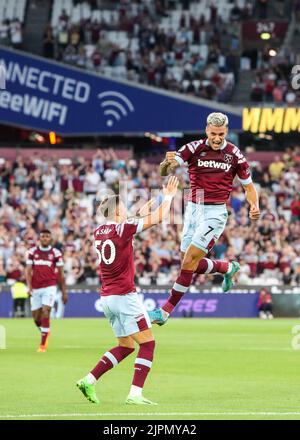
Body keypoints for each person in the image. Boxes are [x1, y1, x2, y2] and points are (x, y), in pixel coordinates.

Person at [76, 176, 179, 406]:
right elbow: (159, 217)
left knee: (126, 346)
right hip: (125, 296)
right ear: (117, 211)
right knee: (148, 344)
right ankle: (135, 394)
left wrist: (139, 213)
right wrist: (170, 196)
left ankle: (89, 379)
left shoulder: (99, 231)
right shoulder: (124, 228)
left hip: (107, 298)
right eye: (123, 205)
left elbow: (124, 226)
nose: (125, 208)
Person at [149, 112, 260, 325]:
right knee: (188, 263)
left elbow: (249, 186)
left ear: (226, 131)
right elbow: (165, 170)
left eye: (221, 133)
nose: (217, 138)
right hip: (193, 210)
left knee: (189, 260)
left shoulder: (235, 155)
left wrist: (254, 204)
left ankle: (164, 312)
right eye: (213, 133)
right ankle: (227, 268)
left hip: (215, 213)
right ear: (206, 129)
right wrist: (166, 162)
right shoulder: (193, 148)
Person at [25, 230, 68, 352]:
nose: (45, 238)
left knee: (46, 311)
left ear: (50, 238)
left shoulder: (56, 253)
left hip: (50, 286)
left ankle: (43, 345)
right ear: (39, 238)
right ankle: (45, 330)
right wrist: (29, 286)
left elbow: (60, 274)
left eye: (47, 236)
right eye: (43, 236)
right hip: (36, 287)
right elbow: (28, 271)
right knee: (36, 318)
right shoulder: (32, 252)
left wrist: (64, 292)